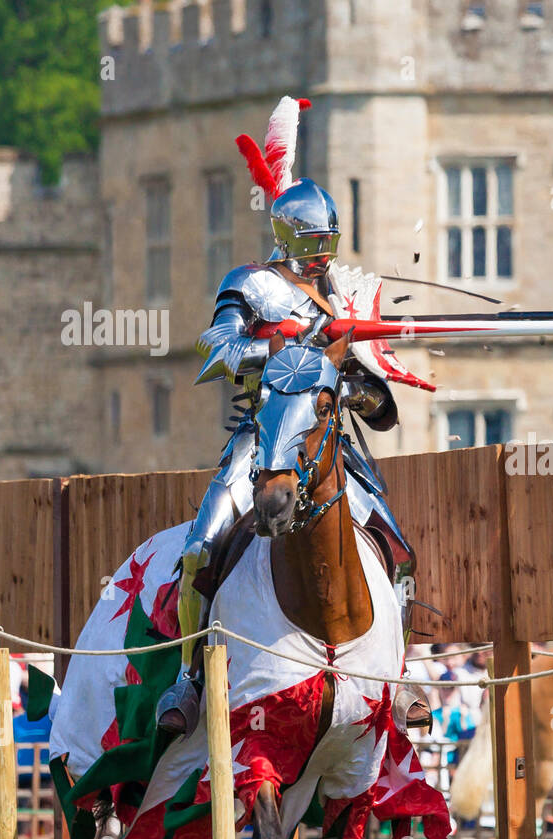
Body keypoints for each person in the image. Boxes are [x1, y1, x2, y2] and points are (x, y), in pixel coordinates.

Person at [156, 97, 428, 736]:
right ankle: (189, 678)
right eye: (313, 242)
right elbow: (215, 350)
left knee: (399, 552)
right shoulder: (251, 284)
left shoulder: (343, 294)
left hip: (327, 442)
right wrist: (282, 346)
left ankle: (398, 673)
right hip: (265, 438)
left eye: (328, 242)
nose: (321, 254)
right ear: (287, 237)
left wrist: (355, 384)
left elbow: (374, 401)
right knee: (200, 549)